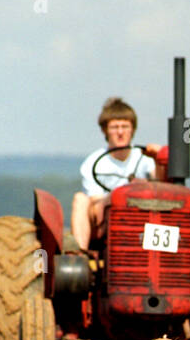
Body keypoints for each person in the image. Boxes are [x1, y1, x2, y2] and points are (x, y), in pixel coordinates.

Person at [70, 97, 164, 249]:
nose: (120, 132)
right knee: (80, 199)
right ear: (105, 130)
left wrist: (160, 160)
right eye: (115, 127)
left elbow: (162, 186)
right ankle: (80, 254)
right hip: (105, 218)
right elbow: (94, 201)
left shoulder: (145, 159)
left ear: (132, 129)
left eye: (125, 126)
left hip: (143, 215)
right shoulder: (93, 162)